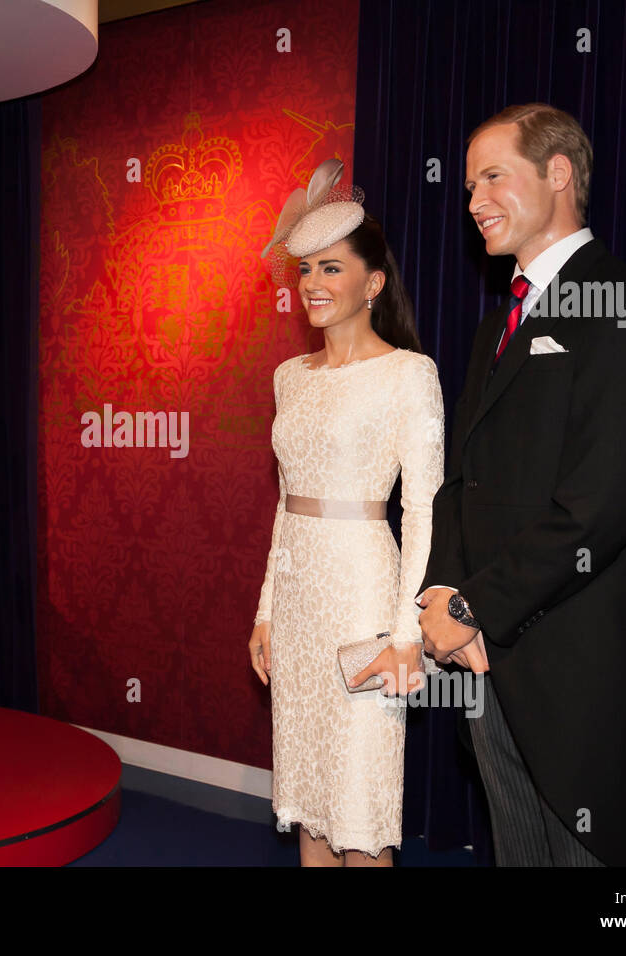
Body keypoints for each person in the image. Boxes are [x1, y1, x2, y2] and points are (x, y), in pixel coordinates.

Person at [416, 103, 626, 866]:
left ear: (559, 173)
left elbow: (595, 511)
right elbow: (458, 484)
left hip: (579, 673)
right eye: (468, 186)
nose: (472, 202)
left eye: (492, 177)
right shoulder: (493, 326)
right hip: (484, 662)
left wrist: (472, 605)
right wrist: (440, 593)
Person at [250, 161, 444, 867]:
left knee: (360, 810)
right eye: (304, 271)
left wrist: (405, 633)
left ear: (374, 283)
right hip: (298, 605)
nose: (312, 285)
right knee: (310, 806)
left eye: (331, 268)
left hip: (366, 597)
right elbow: (286, 502)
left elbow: (423, 510)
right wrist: (267, 610)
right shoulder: (288, 378)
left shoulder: (409, 374)